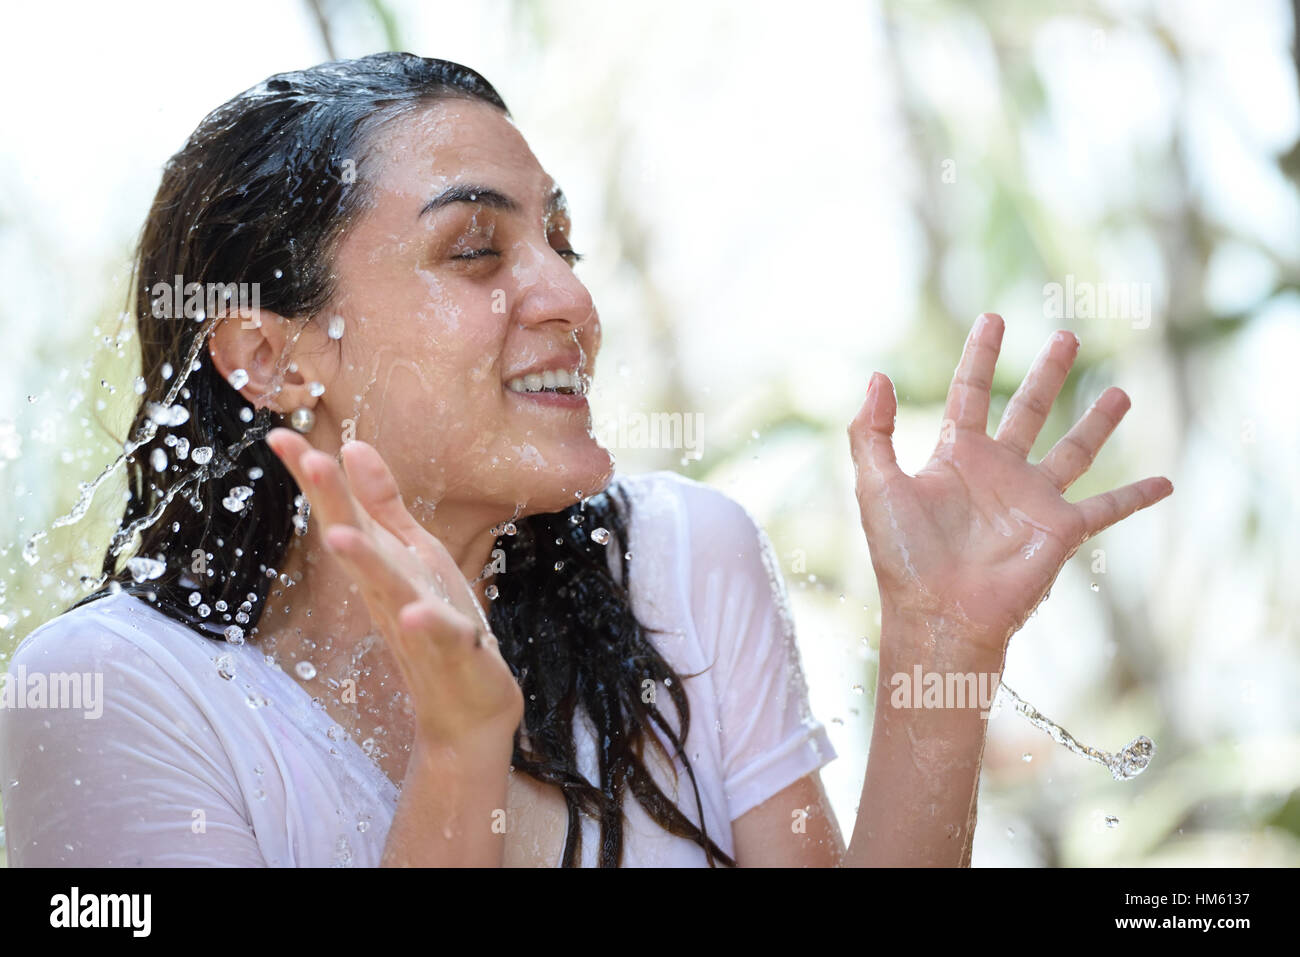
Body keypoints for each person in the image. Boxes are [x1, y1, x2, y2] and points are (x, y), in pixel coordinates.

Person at [0, 53, 1172, 867]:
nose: (568, 297)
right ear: (267, 355)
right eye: (474, 250)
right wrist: (461, 756)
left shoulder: (674, 561)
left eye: (559, 239)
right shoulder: (114, 692)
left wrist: (943, 647)